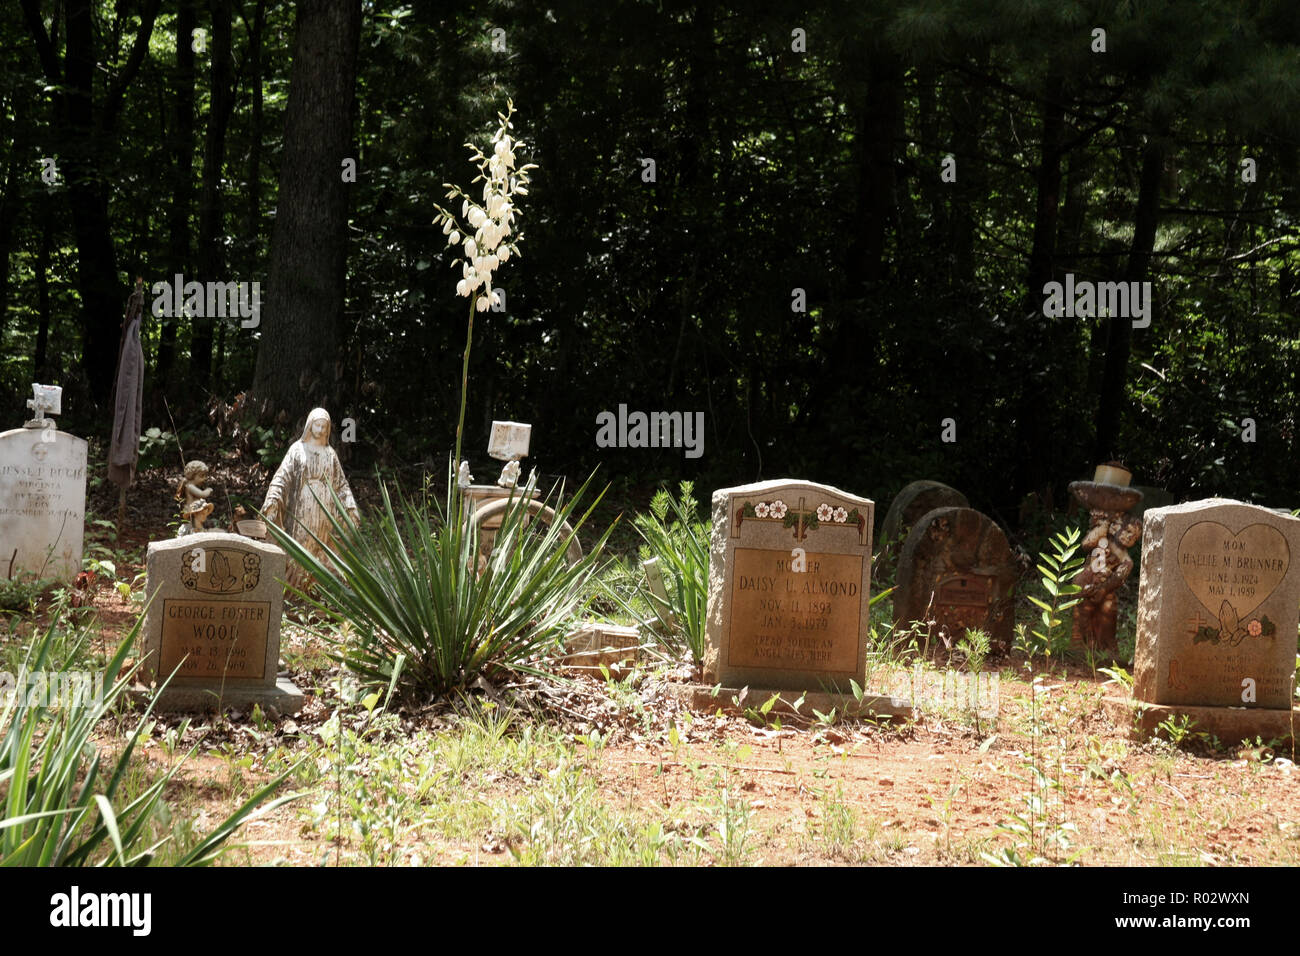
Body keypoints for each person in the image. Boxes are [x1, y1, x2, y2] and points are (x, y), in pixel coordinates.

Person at [261, 408, 359, 588]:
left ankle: (316, 590)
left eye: (324, 426)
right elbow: (282, 476)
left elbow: (341, 484)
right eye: (317, 425)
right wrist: (274, 497)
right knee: (300, 544)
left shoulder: (330, 454)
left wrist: (350, 505)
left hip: (325, 509)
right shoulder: (297, 450)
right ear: (309, 425)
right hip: (303, 506)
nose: (320, 430)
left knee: (322, 546)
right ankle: (294, 590)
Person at [175, 460, 214, 535]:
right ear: (193, 475)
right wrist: (208, 490)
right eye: (201, 476)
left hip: (198, 506)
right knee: (195, 520)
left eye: (205, 476)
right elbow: (202, 494)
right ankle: (194, 530)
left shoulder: (190, 485)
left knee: (199, 520)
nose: (204, 478)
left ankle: (198, 529)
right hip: (193, 508)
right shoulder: (190, 486)